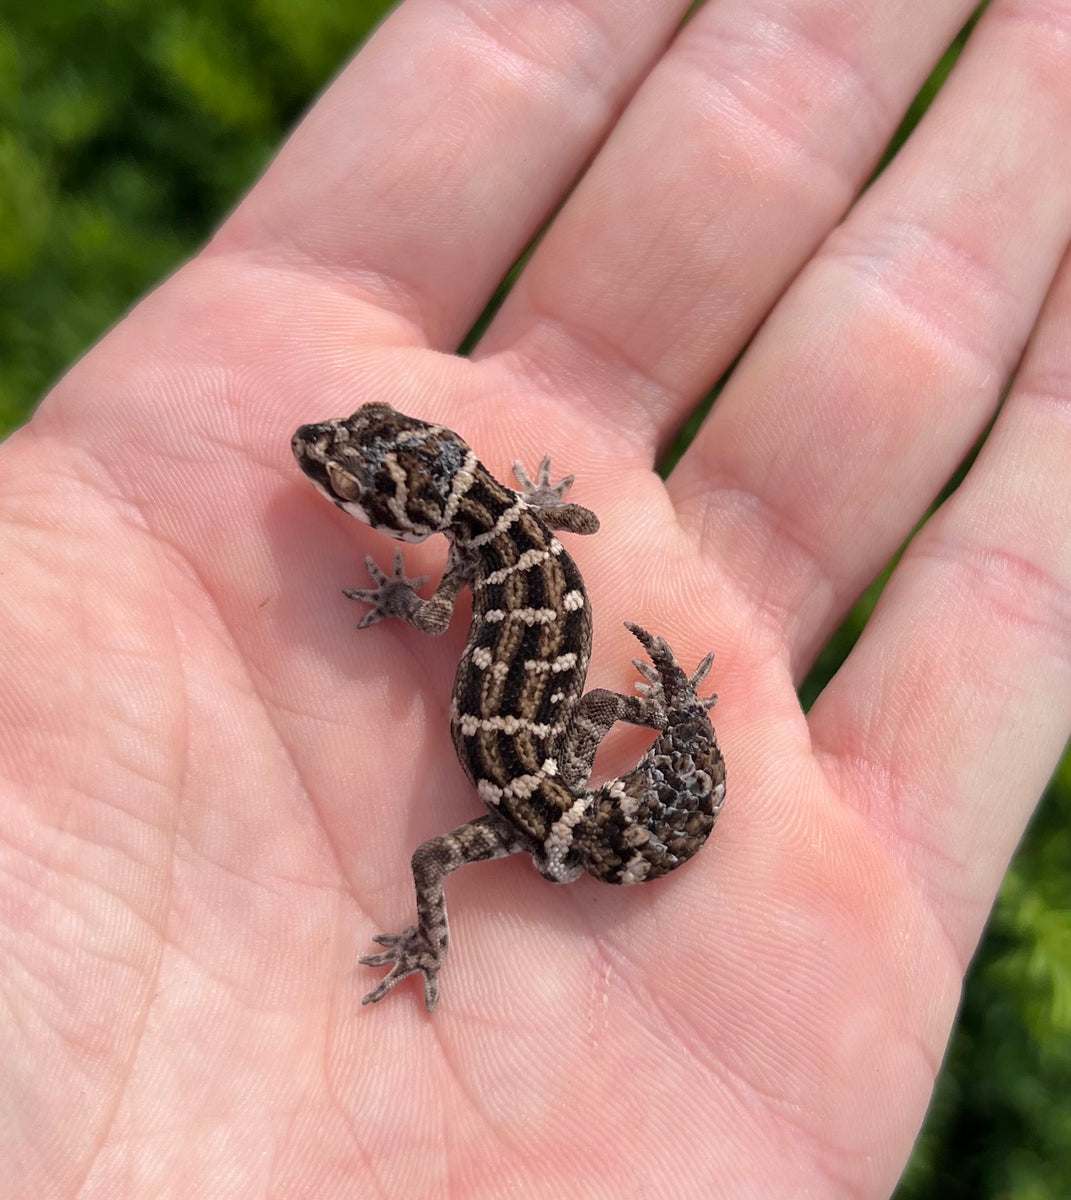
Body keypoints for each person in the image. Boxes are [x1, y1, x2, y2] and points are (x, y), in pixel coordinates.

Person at [2, 0, 1069, 1195]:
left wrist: (406, 614)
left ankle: (458, 920)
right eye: (351, 449)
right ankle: (656, 747)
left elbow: (456, 596)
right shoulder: (515, 523)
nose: (330, 449)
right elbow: (576, 522)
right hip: (553, 779)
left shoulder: (471, 562)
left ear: (421, 495)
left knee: (440, 854)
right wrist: (639, 706)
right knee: (468, 827)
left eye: (354, 461)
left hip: (539, 808)